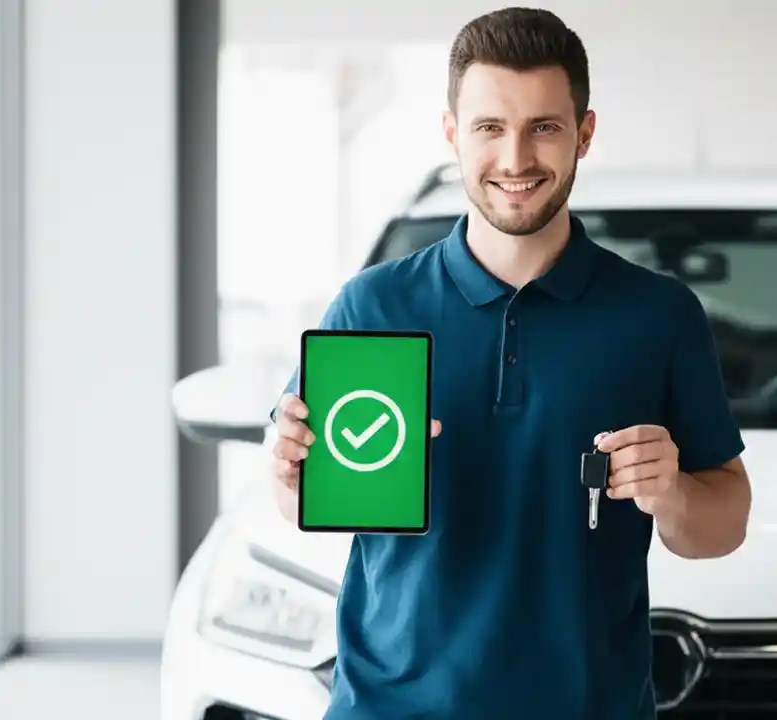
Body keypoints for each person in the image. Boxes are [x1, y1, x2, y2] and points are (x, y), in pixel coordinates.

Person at [270, 7, 751, 718]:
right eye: (490, 127)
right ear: (451, 133)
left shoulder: (658, 315)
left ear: (585, 133)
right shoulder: (373, 305)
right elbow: (305, 500)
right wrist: (288, 470)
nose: (517, 159)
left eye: (544, 127)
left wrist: (674, 494)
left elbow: (727, 520)